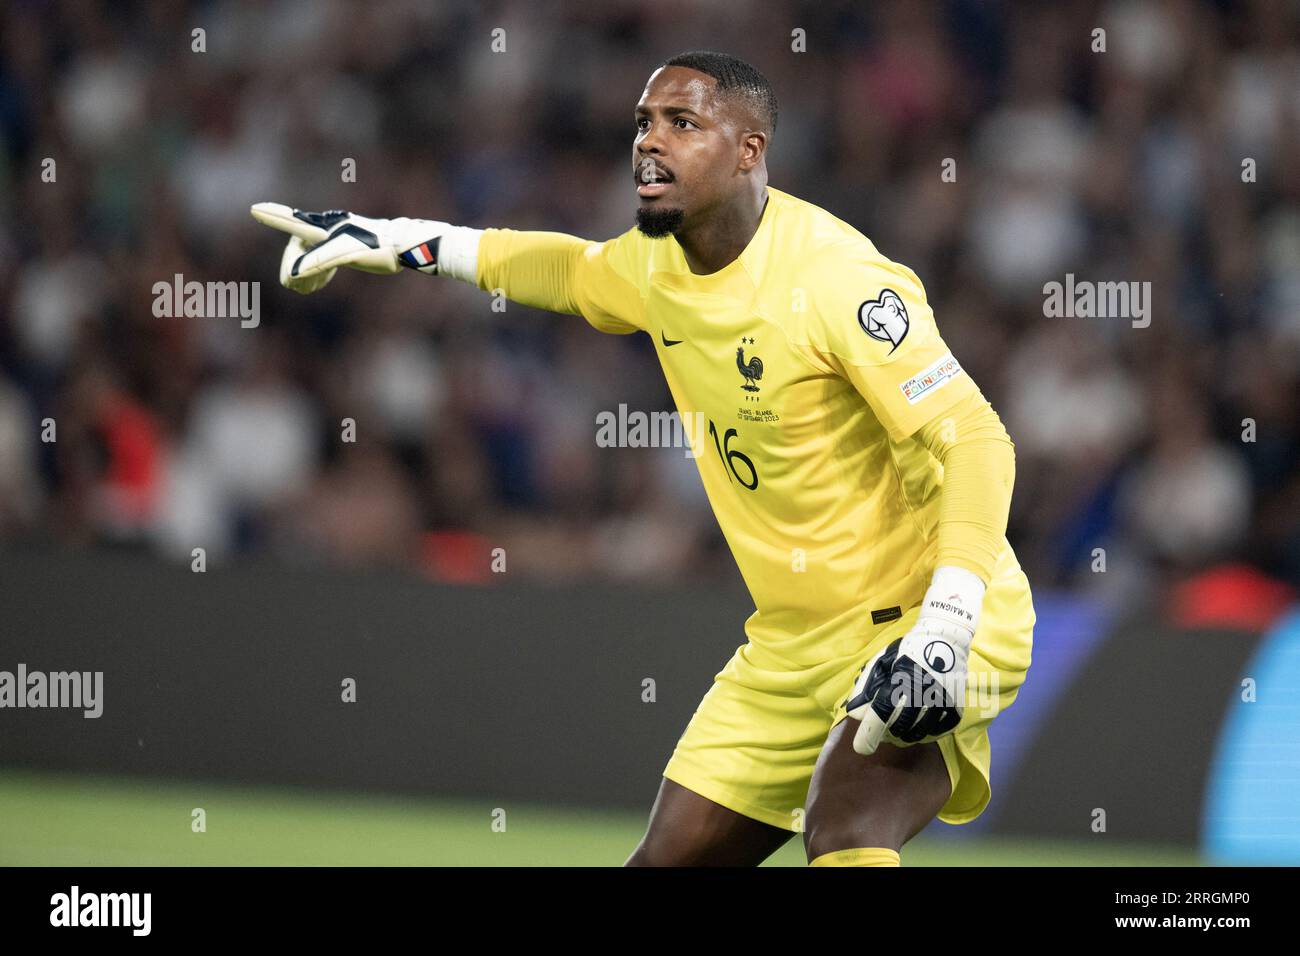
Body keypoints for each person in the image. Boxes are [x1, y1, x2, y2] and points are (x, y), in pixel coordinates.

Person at [252, 50, 1035, 867]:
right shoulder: (655, 266)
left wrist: (945, 625)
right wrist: (397, 240)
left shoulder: (839, 280)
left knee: (844, 829)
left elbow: (977, 438)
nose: (648, 143)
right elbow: (561, 269)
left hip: (935, 619)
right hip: (792, 644)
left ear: (749, 151)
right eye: (643, 123)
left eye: (682, 123)